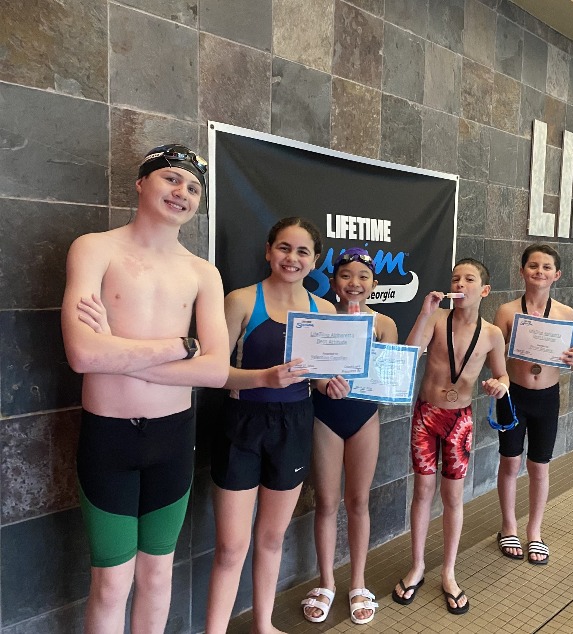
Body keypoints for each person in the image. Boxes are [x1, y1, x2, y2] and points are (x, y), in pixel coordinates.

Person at [61, 144, 230, 633]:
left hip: (173, 439)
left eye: (193, 187)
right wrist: (182, 346)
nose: (182, 193)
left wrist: (118, 352)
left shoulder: (203, 273)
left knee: (157, 576)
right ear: (141, 183)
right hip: (109, 439)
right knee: (111, 584)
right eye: (171, 179)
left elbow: (216, 370)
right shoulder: (95, 249)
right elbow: (83, 355)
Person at [206, 217, 350, 634]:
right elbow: (212, 373)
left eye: (303, 251)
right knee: (231, 547)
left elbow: (318, 376)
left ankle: (263, 625)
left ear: (315, 261)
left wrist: (330, 386)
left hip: (294, 425)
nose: (292, 258)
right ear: (269, 251)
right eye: (284, 247)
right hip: (242, 424)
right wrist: (263, 379)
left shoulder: (323, 310)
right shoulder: (241, 301)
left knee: (271, 538)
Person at [392, 258, 509, 615]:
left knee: (453, 496)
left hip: (460, 421)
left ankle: (449, 572)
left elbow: (503, 375)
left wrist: (499, 386)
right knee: (422, 491)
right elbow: (410, 354)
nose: (460, 284)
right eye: (455, 278)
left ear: (484, 290)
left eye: (469, 279)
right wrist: (424, 312)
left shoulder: (492, 334)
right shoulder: (437, 319)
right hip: (426, 416)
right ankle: (417, 566)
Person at [300, 248, 398, 625]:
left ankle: (358, 582)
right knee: (326, 502)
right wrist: (323, 383)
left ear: (374, 283)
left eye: (362, 276)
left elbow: (390, 375)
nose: (354, 283)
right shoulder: (321, 317)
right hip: (325, 416)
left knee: (358, 501)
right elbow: (308, 368)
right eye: (346, 276)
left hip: (364, 417)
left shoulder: (383, 323)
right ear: (333, 281)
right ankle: (326, 582)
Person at [493, 244, 573, 565]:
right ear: (522, 271)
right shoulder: (507, 311)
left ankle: (534, 530)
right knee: (509, 463)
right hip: (513, 395)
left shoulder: (565, 314)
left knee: (539, 466)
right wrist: (508, 349)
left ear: (557, 275)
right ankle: (508, 526)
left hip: (547, 397)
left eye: (546, 267)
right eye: (533, 266)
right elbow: (494, 358)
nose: (539, 272)